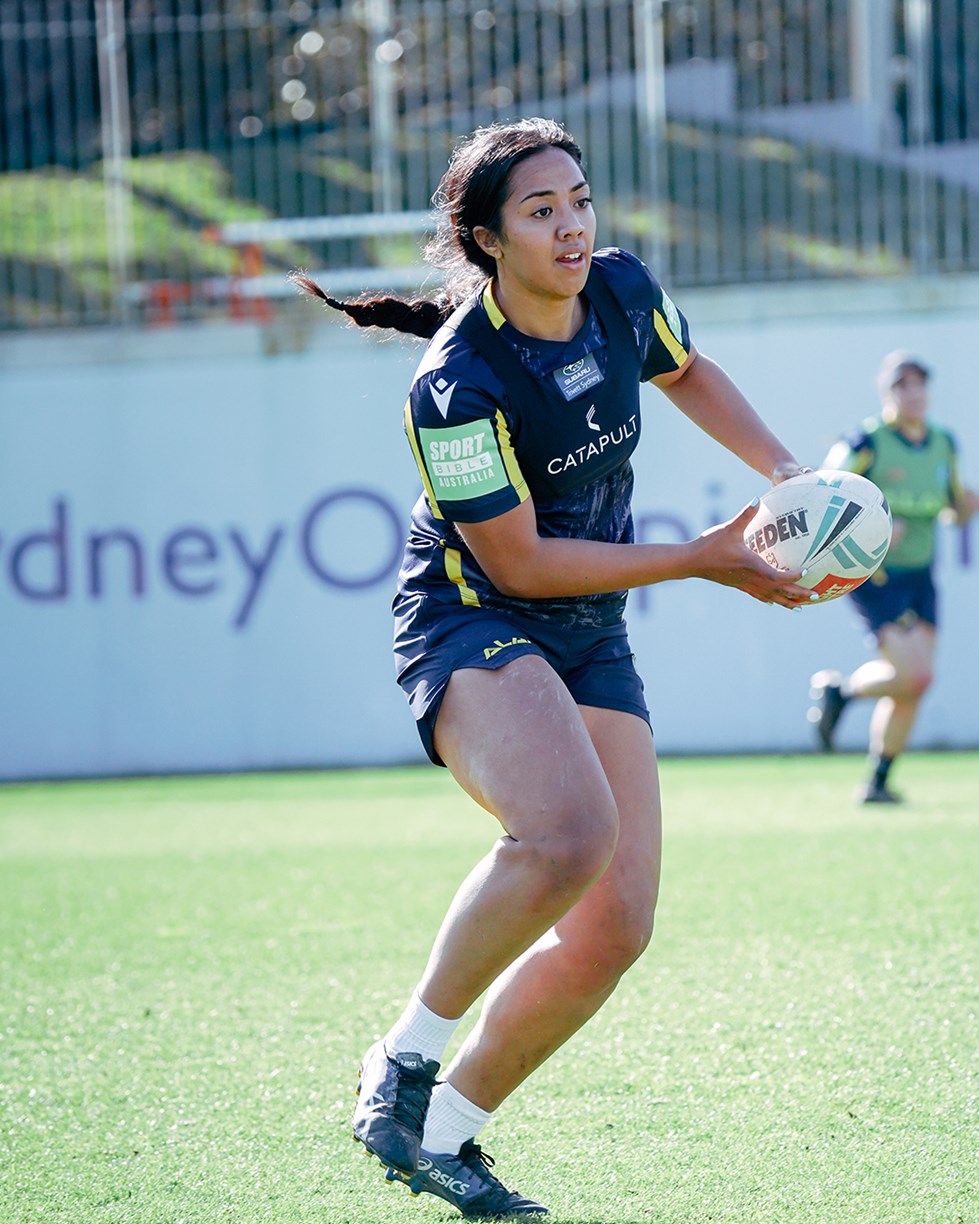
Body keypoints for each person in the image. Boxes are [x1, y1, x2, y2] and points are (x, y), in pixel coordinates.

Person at [293, 117, 814, 1219]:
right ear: (486, 240)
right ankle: (404, 1059)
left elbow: (688, 368)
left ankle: (441, 1131)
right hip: (470, 615)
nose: (571, 224)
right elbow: (518, 560)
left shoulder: (621, 289)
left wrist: (784, 473)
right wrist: (710, 559)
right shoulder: (454, 385)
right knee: (568, 835)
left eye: (577, 198)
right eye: (540, 211)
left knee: (616, 926)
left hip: (587, 627)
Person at [809, 350, 979, 804]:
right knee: (917, 675)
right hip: (873, 572)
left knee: (914, 684)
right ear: (888, 393)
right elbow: (823, 493)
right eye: (903, 385)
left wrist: (966, 506)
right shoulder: (867, 442)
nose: (914, 393)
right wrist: (875, 521)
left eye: (920, 384)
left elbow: (955, 507)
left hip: (921, 574)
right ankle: (842, 693)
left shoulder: (943, 442)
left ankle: (877, 781)